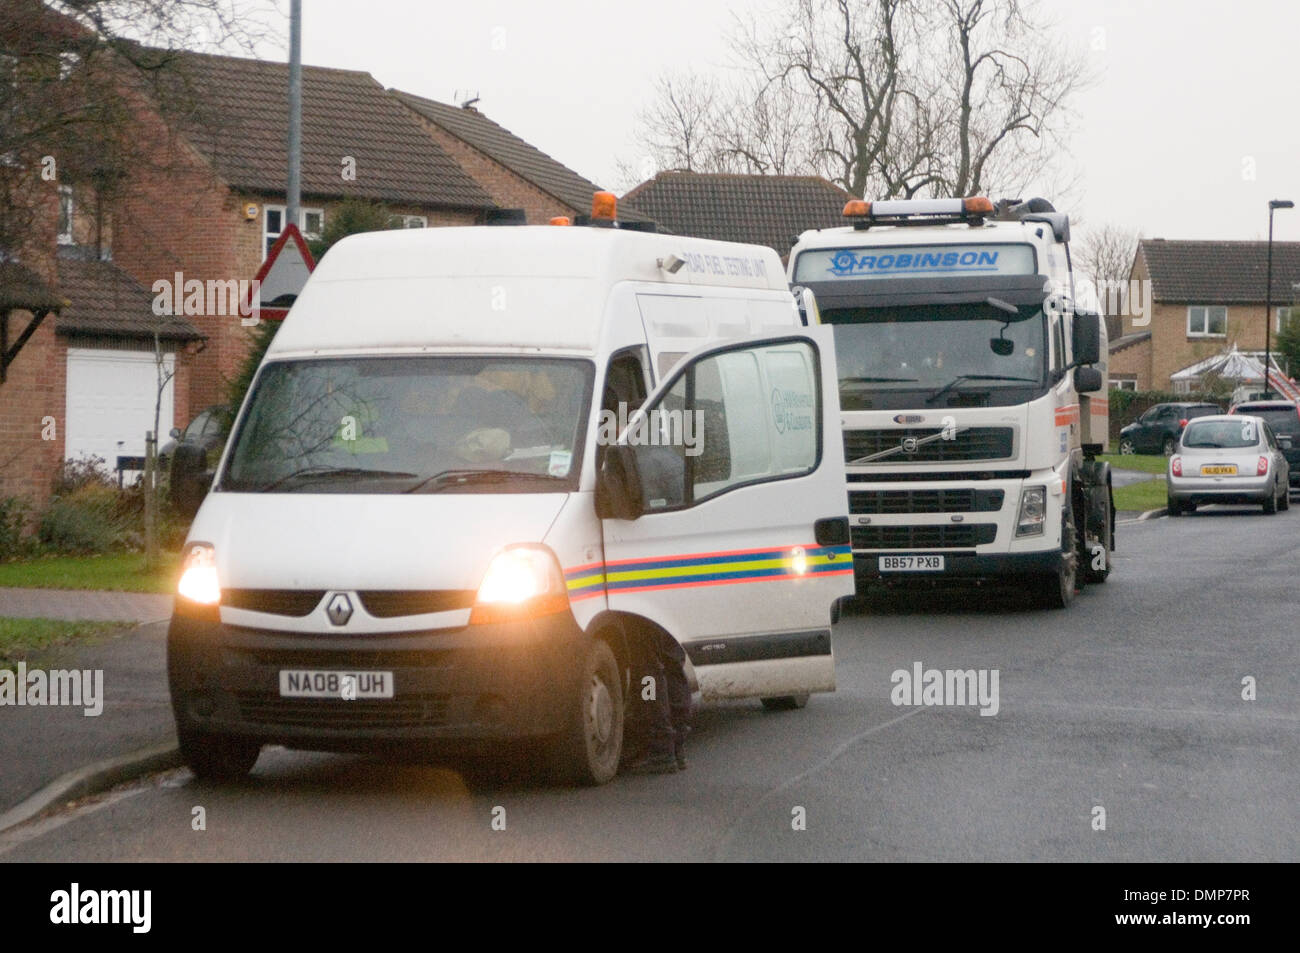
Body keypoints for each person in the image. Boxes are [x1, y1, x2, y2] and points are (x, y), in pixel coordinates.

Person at [626, 627, 692, 774]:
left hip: (644, 612)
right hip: (666, 608)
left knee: (646, 672)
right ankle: (677, 746)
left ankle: (658, 747)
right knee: (673, 664)